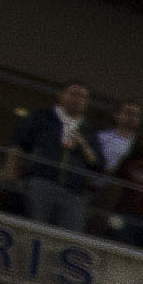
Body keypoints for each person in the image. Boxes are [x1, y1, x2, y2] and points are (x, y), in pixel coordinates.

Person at [14, 79, 95, 229]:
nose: (77, 99)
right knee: (34, 228)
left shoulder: (88, 131)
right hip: (41, 183)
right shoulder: (41, 117)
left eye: (82, 96)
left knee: (67, 236)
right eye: (73, 94)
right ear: (61, 95)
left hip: (73, 192)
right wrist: (11, 174)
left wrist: (83, 145)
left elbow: (96, 164)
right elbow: (19, 144)